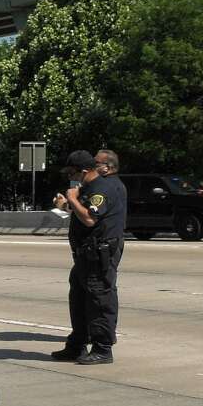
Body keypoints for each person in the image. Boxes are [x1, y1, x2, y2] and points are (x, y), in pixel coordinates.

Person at [51, 150, 127, 364]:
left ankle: (103, 349)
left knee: (99, 298)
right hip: (86, 253)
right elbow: (82, 210)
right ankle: (77, 345)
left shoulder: (103, 188)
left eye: (72, 173)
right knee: (79, 298)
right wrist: (66, 204)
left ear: (84, 171)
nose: (70, 177)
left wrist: (73, 198)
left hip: (99, 253)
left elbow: (90, 219)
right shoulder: (90, 187)